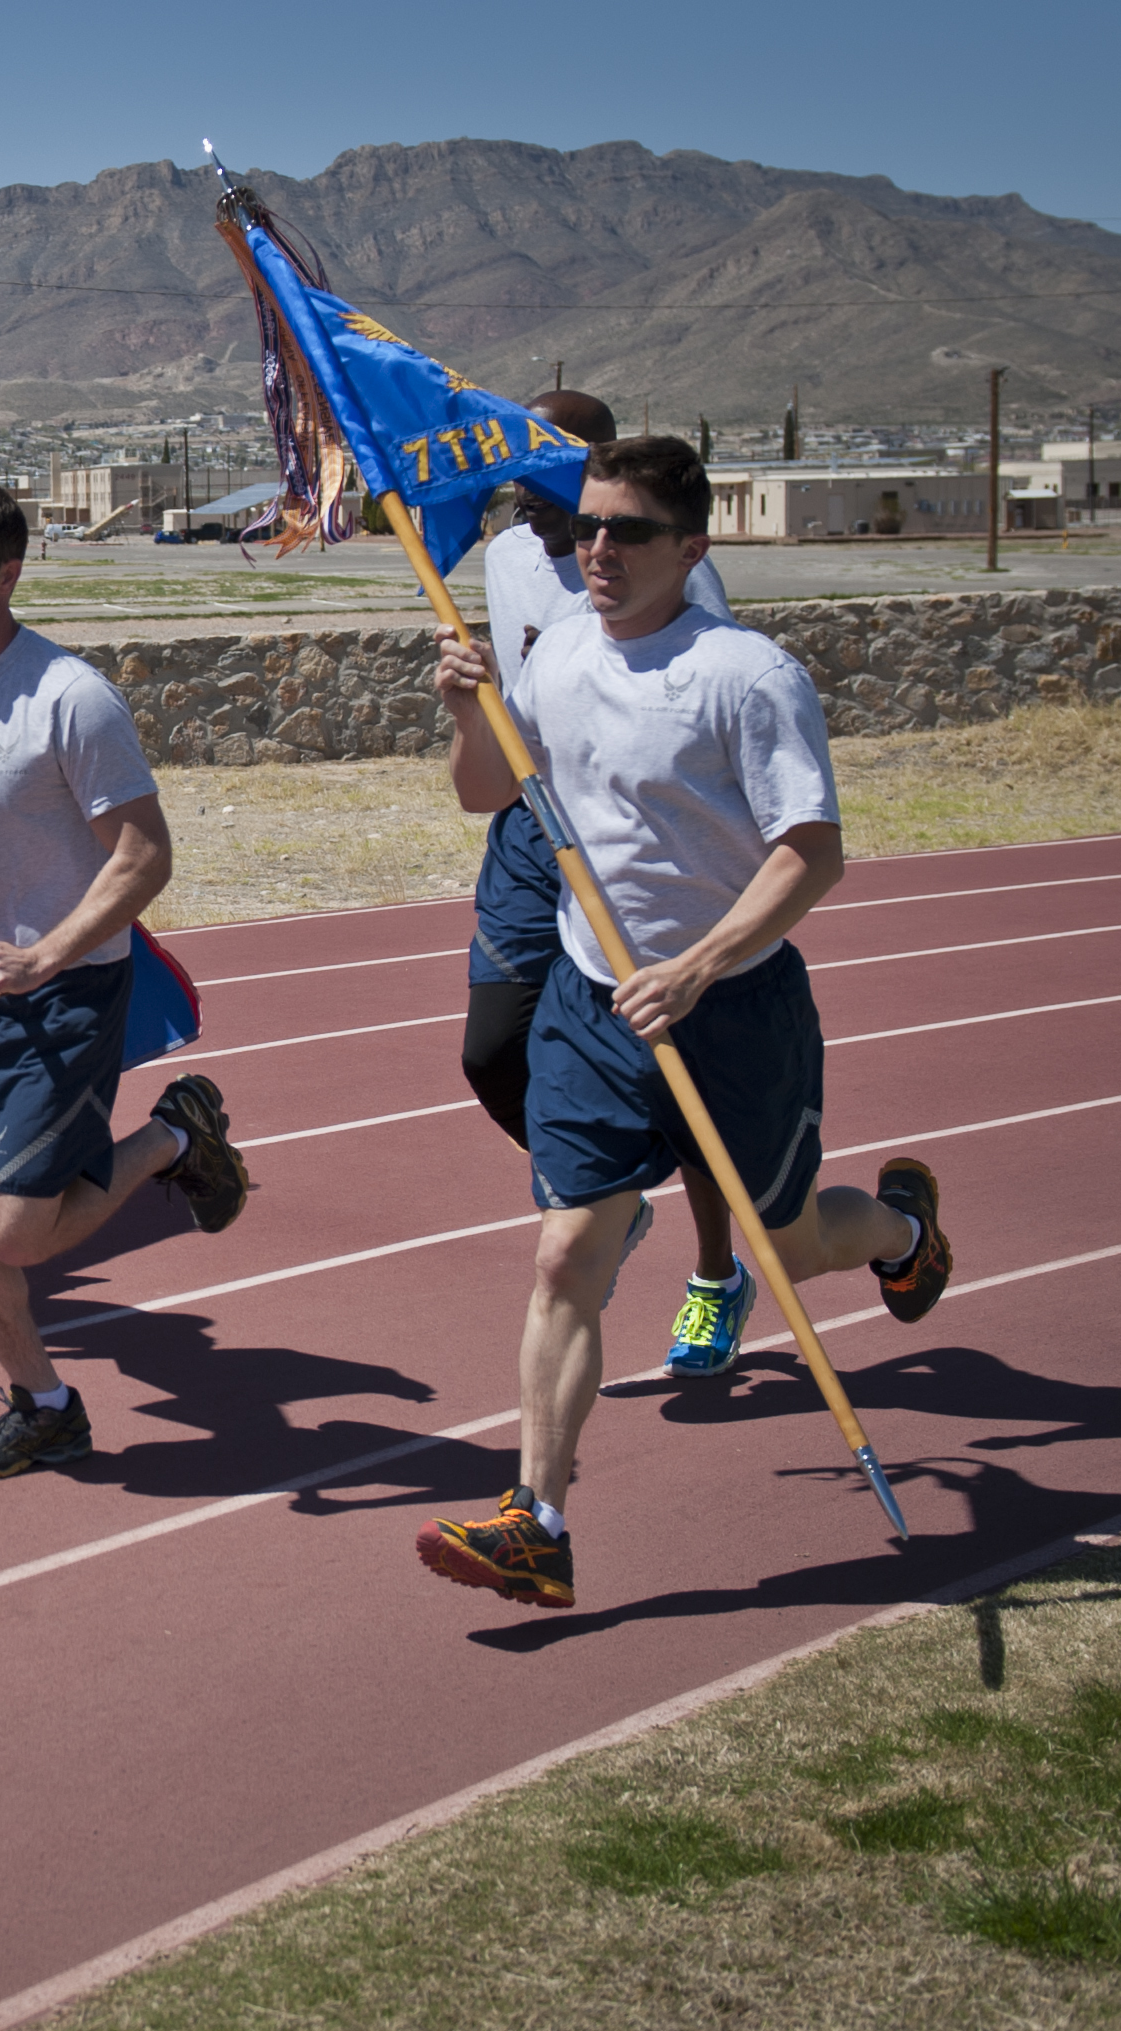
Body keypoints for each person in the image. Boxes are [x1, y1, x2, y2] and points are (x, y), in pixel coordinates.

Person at [415, 436, 952, 1610]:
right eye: (586, 527)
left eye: (626, 531)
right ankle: (536, 1522)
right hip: (590, 1001)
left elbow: (810, 855)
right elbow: (480, 794)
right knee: (566, 1252)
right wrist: (470, 715)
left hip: (733, 1008)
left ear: (690, 548)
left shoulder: (743, 675)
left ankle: (899, 1229)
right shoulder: (554, 657)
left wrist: (700, 966)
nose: (595, 549)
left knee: (786, 1248)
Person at [0, 478, 252, 1482]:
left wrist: (45, 955)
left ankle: (170, 1136)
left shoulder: (68, 698)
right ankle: (41, 1399)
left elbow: (143, 856)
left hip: (59, 994)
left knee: (8, 1231)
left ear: (7, 575)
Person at [467, 390, 753, 1381]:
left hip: (636, 843)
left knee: (676, 1079)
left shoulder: (671, 575)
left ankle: (716, 1276)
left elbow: (700, 703)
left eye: (554, 481)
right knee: (490, 1050)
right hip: (531, 831)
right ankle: (604, 1200)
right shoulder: (504, 558)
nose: (532, 505)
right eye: (516, 482)